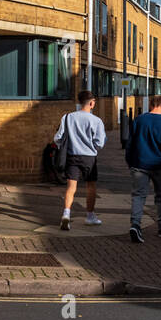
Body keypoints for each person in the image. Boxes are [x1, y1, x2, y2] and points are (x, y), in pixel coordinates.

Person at [126, 94, 161, 243]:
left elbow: (130, 143)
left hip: (139, 164)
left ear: (150, 105)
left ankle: (135, 224)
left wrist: (129, 162)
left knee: (138, 195)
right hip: (159, 165)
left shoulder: (139, 120)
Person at [54, 90, 107, 231]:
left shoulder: (67, 118)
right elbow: (100, 143)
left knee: (71, 187)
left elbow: (58, 138)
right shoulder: (96, 121)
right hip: (89, 157)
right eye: (94, 101)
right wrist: (91, 146)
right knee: (90, 187)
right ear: (91, 103)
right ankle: (90, 216)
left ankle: (66, 214)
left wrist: (66, 147)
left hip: (72, 156)